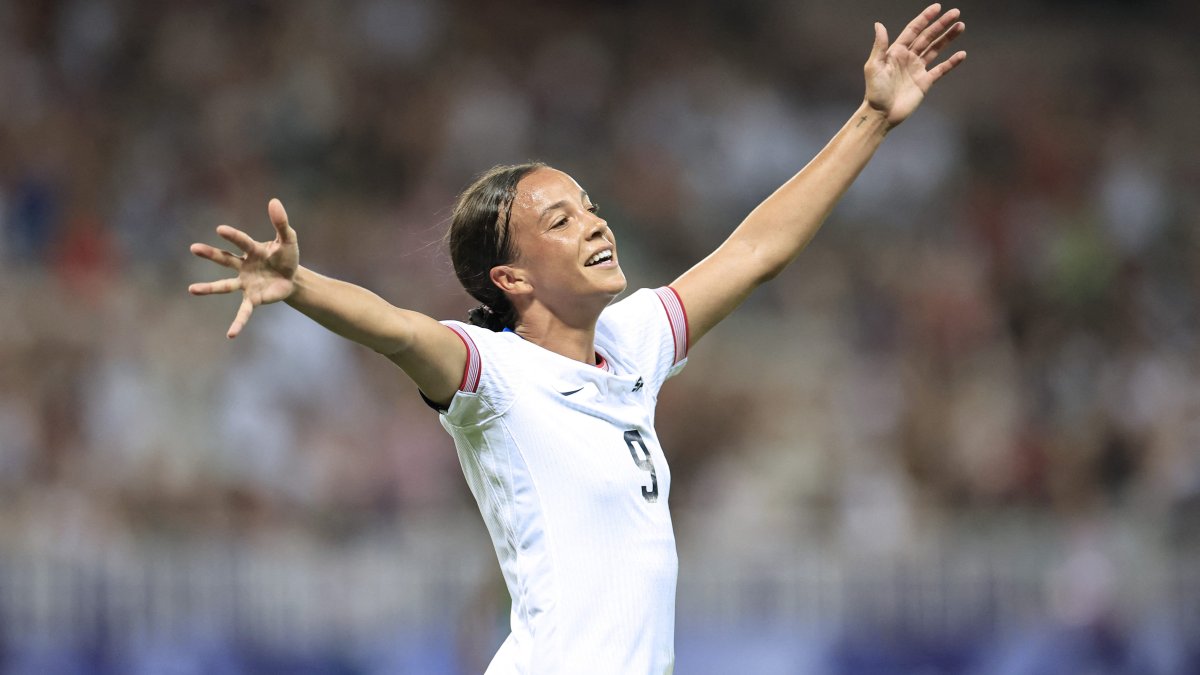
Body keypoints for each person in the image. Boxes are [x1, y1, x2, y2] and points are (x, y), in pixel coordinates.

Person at [189, 5, 966, 673]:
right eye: (559, 221)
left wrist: (871, 119)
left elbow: (756, 252)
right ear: (512, 280)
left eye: (589, 205)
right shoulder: (492, 374)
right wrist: (300, 285)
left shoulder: (630, 342)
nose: (594, 221)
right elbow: (399, 331)